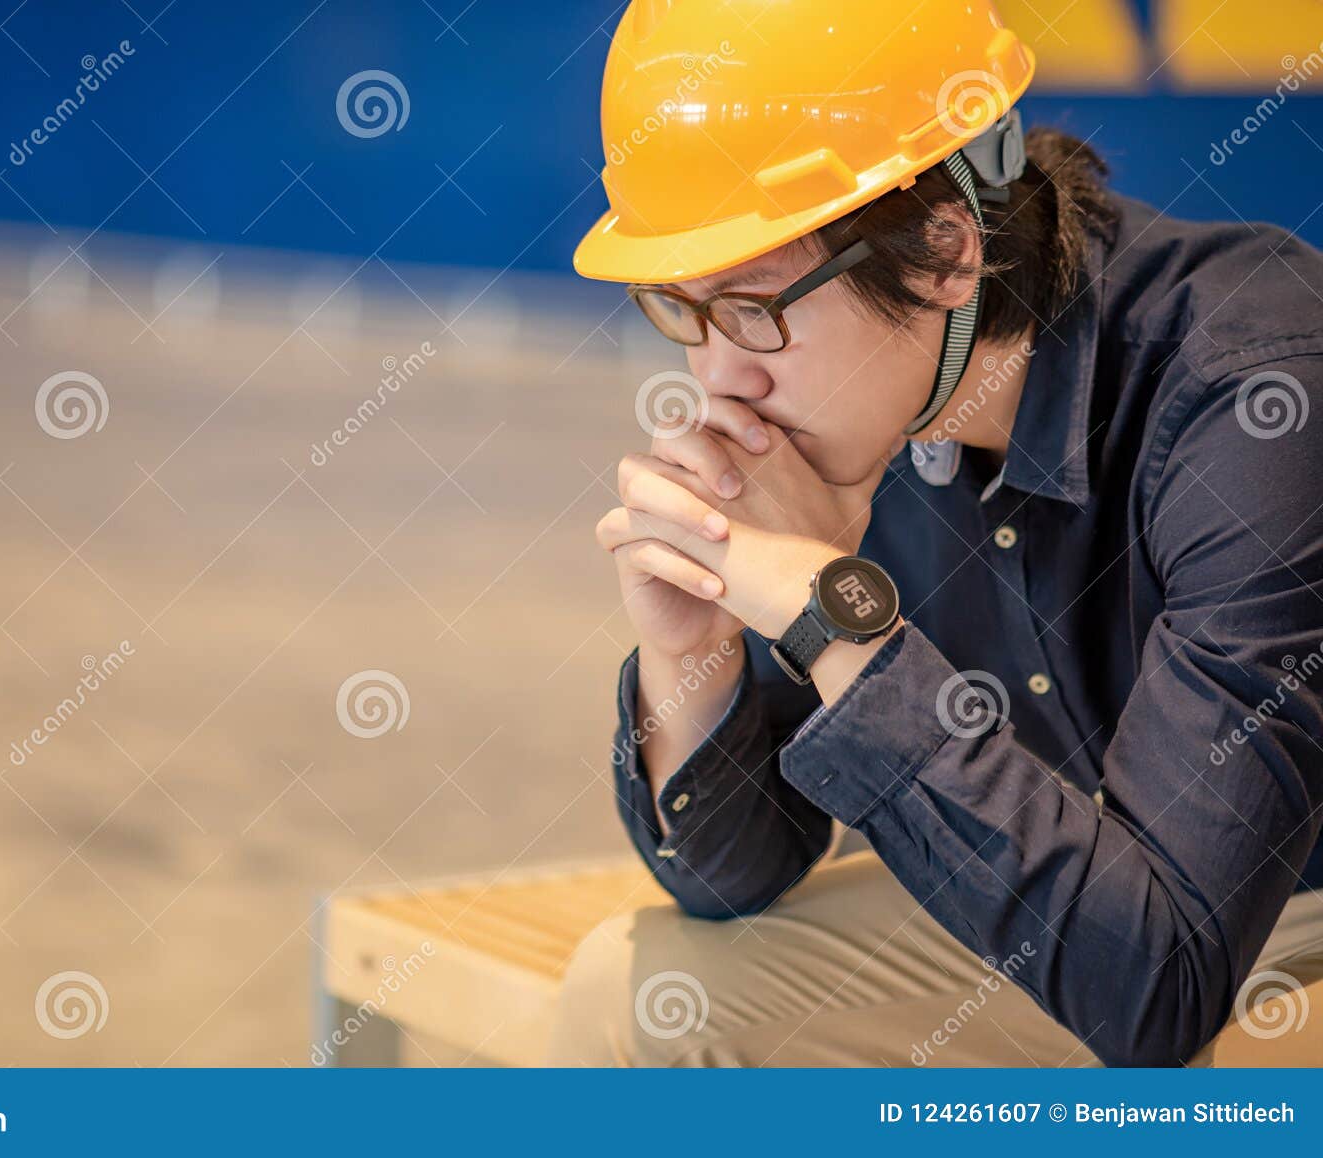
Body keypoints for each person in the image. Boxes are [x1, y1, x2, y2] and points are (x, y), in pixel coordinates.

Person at [551, 0, 1323, 1067]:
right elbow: (735, 872)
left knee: (1176, 1086)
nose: (719, 375)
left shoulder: (1254, 395)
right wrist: (696, 653)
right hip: (1091, 896)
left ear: (946, 258)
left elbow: (1160, 990)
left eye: (754, 309)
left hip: (1265, 914)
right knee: (640, 994)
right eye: (682, 309)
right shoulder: (865, 406)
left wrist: (838, 624)